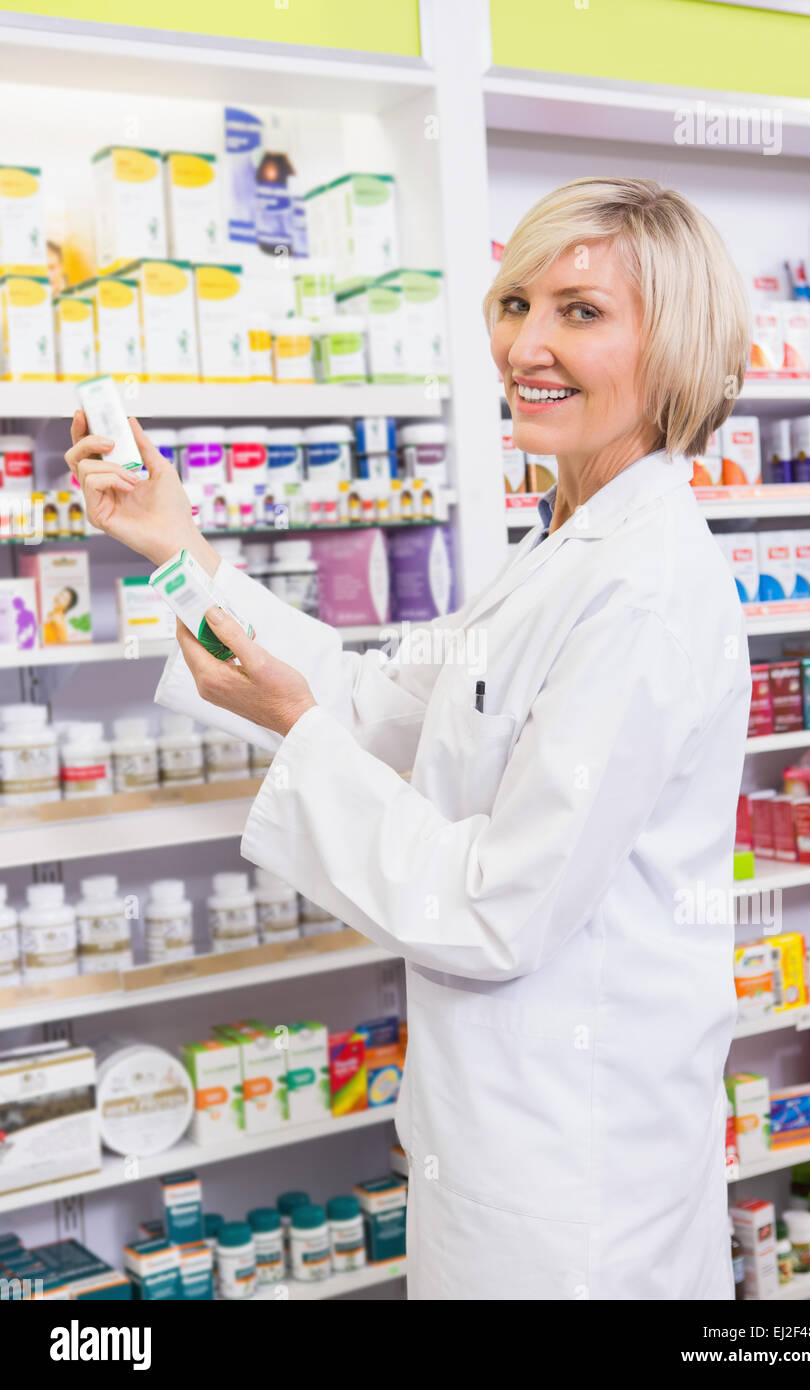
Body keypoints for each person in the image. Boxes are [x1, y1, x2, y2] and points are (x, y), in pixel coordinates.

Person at [65, 177, 752, 1301]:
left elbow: (496, 907)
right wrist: (176, 547)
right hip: (495, 1129)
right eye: (513, 302)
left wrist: (294, 727)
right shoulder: (561, 544)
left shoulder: (645, 588)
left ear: (674, 347)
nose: (524, 343)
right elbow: (385, 701)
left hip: (576, 1172)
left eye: (579, 311)